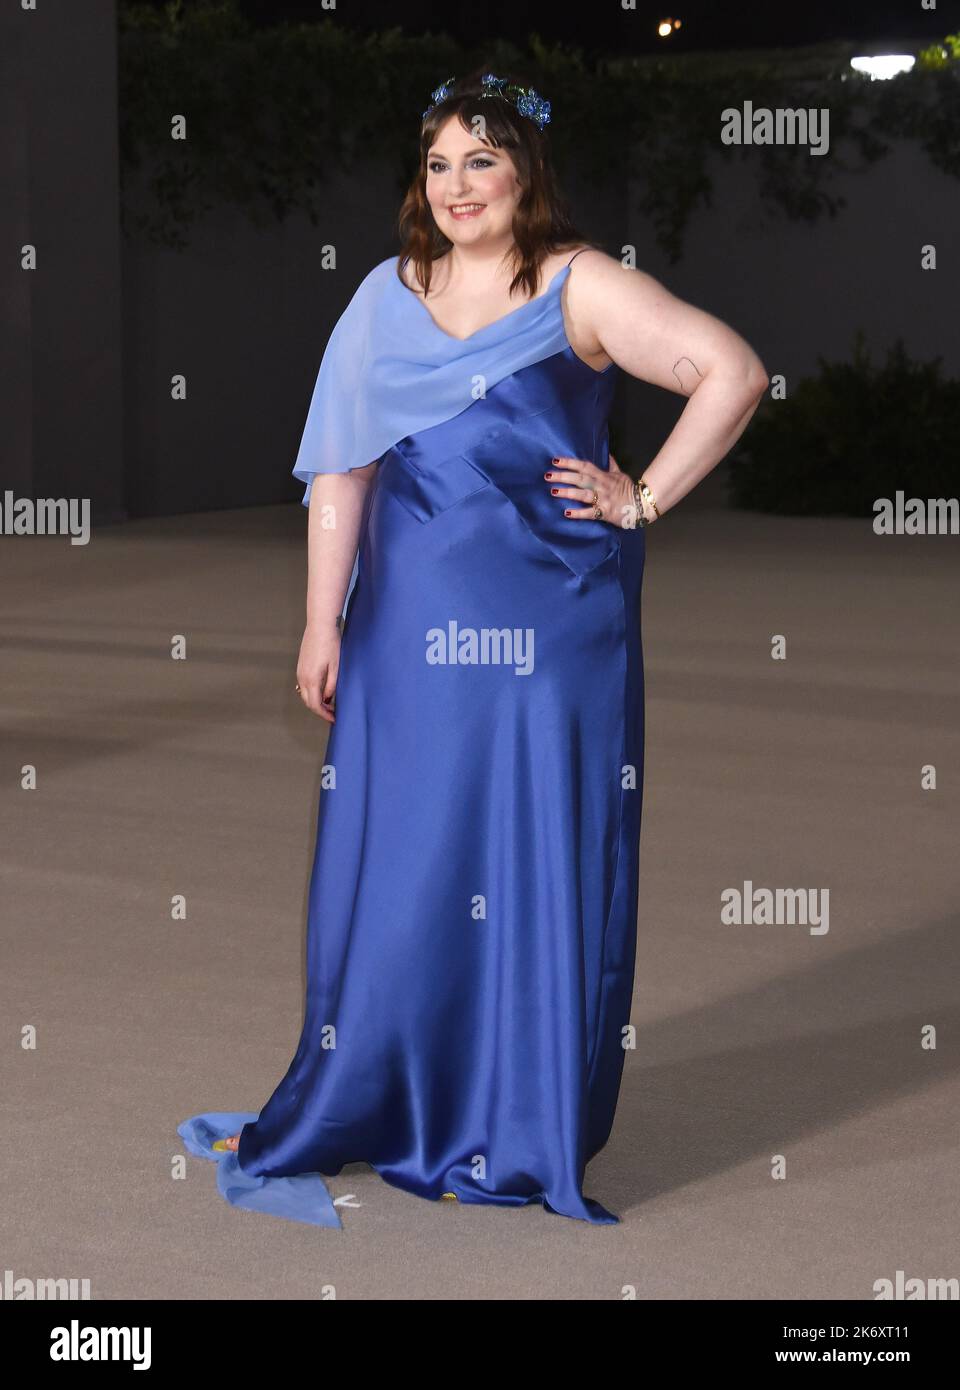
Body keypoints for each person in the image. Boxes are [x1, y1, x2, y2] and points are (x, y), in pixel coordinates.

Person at [180, 67, 768, 1226]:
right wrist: (319, 617)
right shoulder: (385, 296)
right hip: (404, 637)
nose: (457, 185)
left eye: (482, 160)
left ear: (525, 173)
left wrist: (641, 497)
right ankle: (382, 1093)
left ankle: (514, 1118)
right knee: (407, 862)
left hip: (551, 638)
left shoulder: (580, 284)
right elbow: (341, 471)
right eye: (439, 162)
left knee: (530, 856)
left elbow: (733, 373)